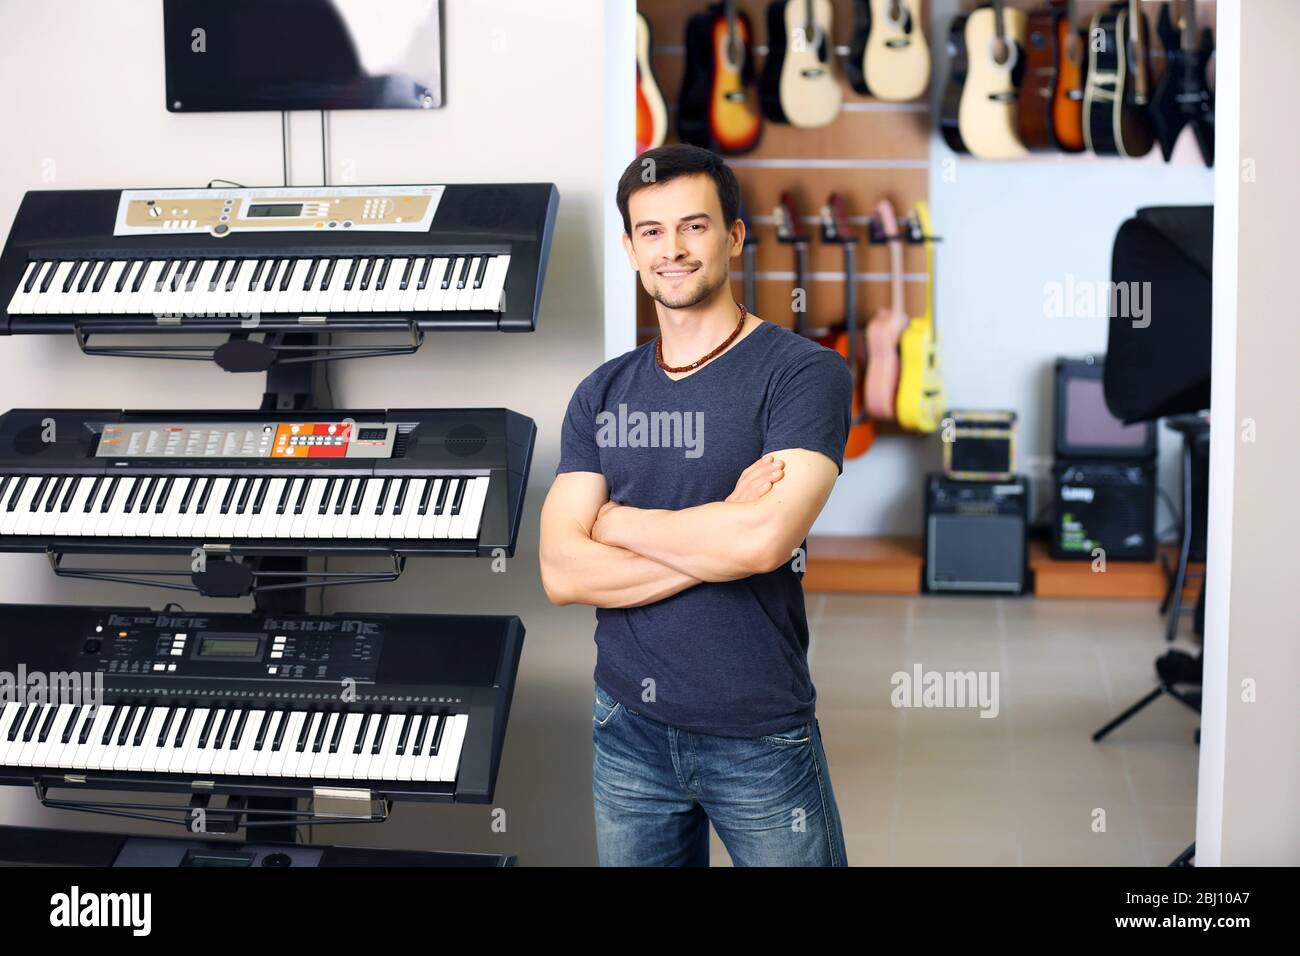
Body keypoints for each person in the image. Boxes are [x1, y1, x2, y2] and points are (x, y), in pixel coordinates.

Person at [540, 143, 851, 866]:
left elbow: (762, 546)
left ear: (734, 235)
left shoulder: (802, 374)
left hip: (756, 732)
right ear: (629, 247)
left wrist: (614, 524)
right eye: (651, 231)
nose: (672, 249)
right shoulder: (603, 392)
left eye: (694, 226)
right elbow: (562, 572)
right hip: (626, 725)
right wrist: (718, 535)